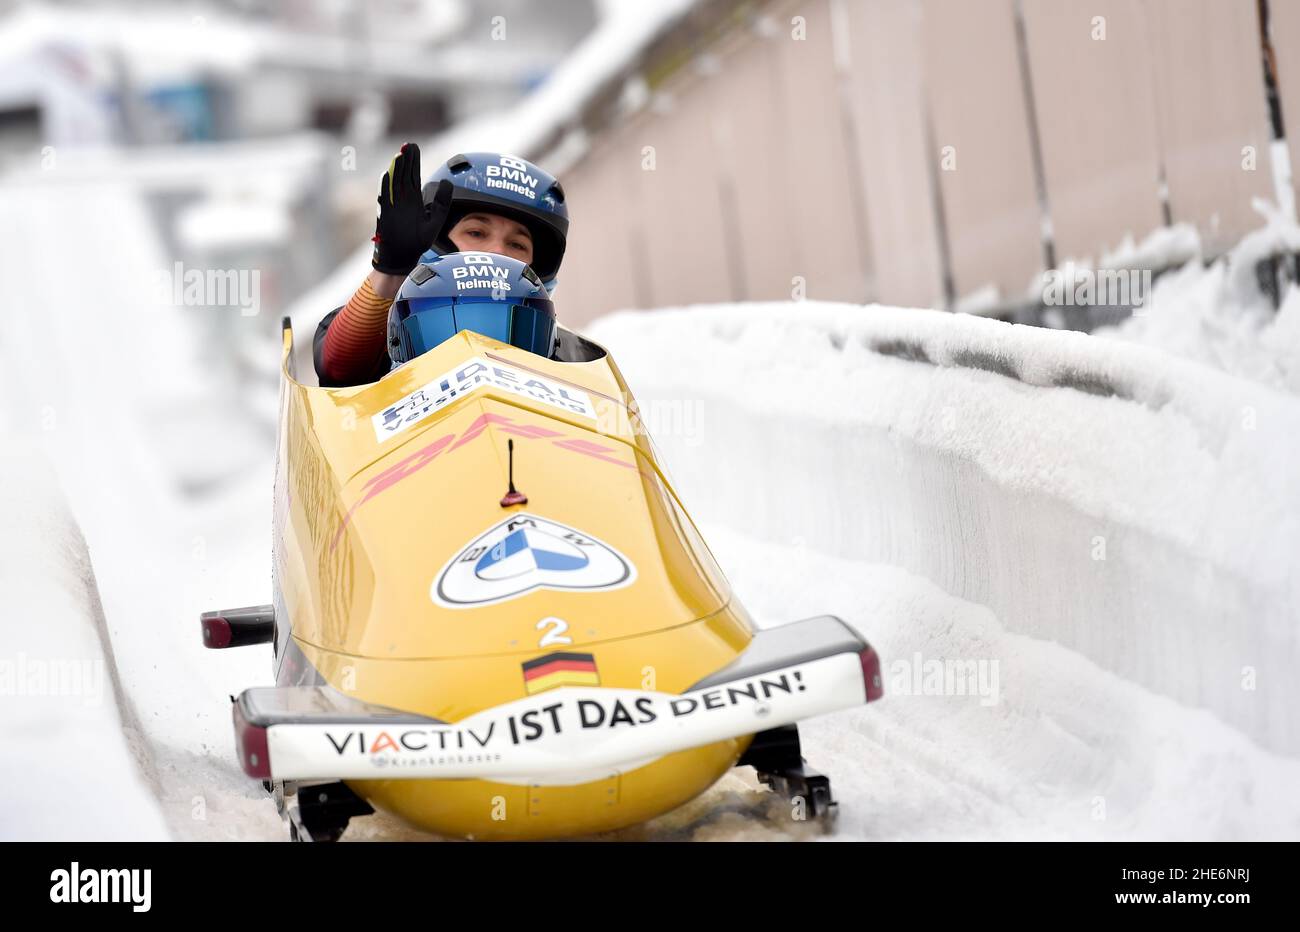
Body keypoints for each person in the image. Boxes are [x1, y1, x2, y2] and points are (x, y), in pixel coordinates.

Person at [314, 144, 569, 387]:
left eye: (517, 245)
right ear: (436, 239)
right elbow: (337, 368)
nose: (497, 252)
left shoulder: (570, 359)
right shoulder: (384, 340)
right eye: (477, 233)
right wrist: (391, 272)